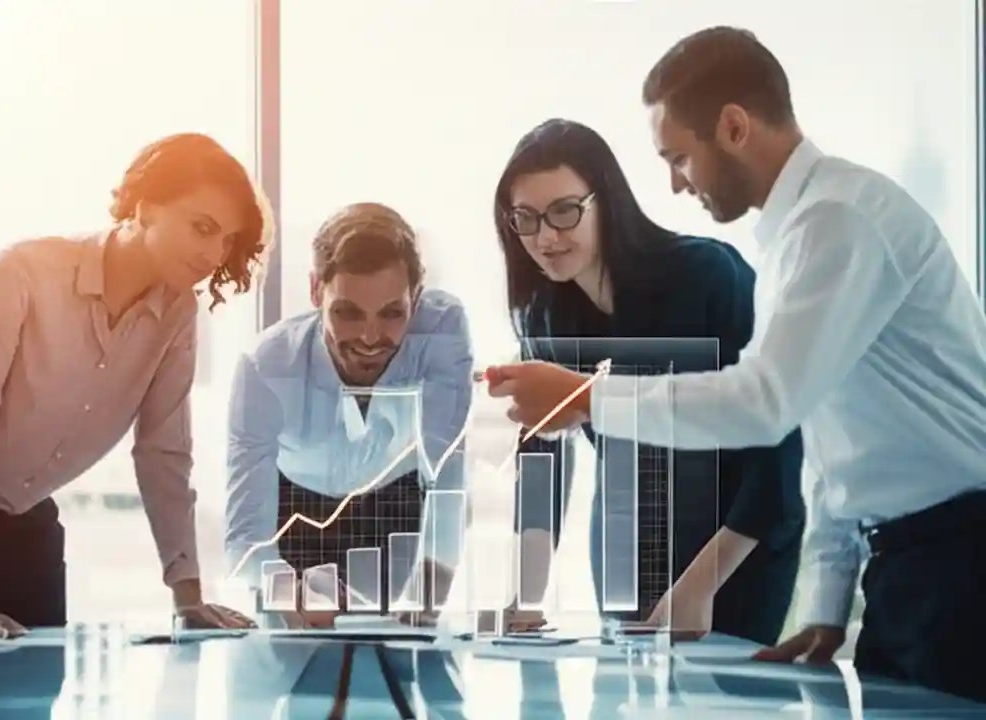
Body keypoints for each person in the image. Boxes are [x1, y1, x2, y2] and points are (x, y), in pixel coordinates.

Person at [485, 26, 986, 702]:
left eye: (680, 158)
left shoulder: (836, 222)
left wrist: (585, 397)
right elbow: (837, 444)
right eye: (526, 220)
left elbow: (766, 409)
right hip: (903, 565)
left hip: (959, 556)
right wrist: (828, 605)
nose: (672, 181)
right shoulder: (790, 240)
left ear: (733, 127)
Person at [0, 133, 269, 639]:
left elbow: (163, 454)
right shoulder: (24, 272)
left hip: (20, 511)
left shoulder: (177, 316)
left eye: (226, 241)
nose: (212, 254)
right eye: (203, 228)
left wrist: (188, 597)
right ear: (147, 207)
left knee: (35, 685)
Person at [493, 118, 804, 644]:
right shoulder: (544, 317)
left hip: (735, 544)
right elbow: (542, 453)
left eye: (564, 212)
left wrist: (701, 585)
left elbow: (778, 447)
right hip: (626, 541)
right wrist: (527, 593)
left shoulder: (708, 275)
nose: (545, 237)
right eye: (525, 218)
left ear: (607, 202)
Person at [225, 202, 473, 627]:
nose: (370, 337)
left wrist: (426, 600)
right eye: (348, 313)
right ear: (315, 291)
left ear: (416, 296)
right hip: (297, 515)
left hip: (395, 503)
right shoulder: (265, 366)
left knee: (398, 656)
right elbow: (244, 537)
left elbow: (447, 475)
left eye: (393, 313)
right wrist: (285, 588)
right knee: (293, 660)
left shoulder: (442, 329)